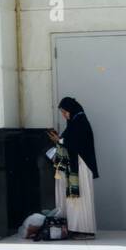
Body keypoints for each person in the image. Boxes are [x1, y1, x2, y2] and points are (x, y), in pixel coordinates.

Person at [49, 96, 99, 238]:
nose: (64, 115)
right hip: (76, 166)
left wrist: (60, 140)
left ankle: (84, 229)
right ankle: (75, 227)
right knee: (76, 200)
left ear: (71, 109)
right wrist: (60, 139)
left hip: (82, 166)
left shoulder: (80, 122)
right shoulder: (74, 123)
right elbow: (68, 140)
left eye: (65, 112)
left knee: (81, 199)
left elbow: (76, 143)